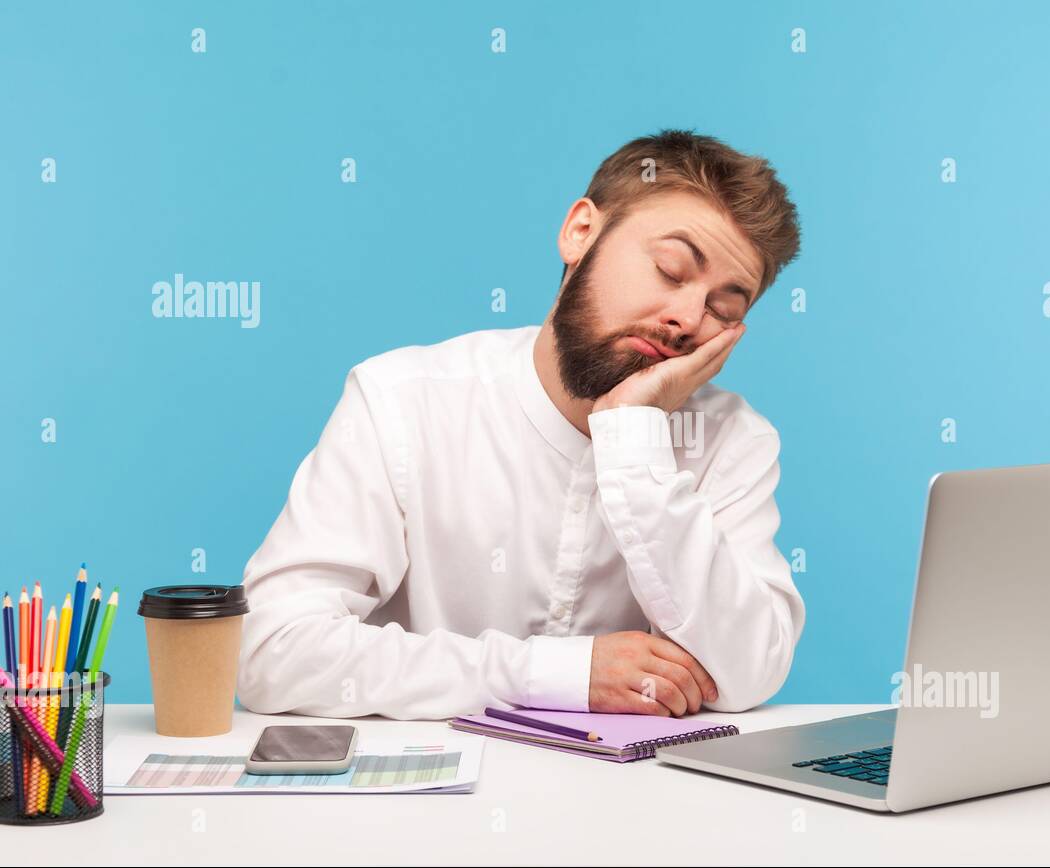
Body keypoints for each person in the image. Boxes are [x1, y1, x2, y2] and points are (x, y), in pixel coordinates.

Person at [238, 128, 805, 720]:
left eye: (724, 309)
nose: (688, 319)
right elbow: (272, 650)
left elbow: (750, 670)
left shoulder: (734, 441)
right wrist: (556, 675)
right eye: (670, 269)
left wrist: (634, 440)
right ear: (580, 232)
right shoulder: (400, 401)